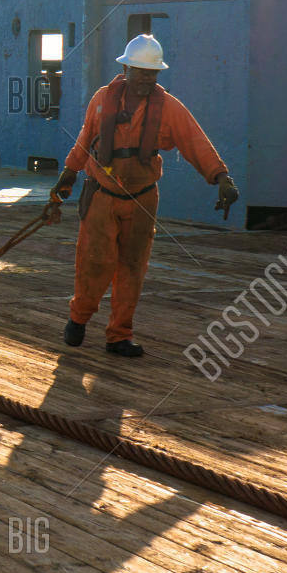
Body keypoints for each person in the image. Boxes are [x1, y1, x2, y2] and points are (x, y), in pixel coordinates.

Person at [46, 34, 238, 356]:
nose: (147, 79)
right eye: (141, 71)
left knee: (133, 268)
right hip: (101, 196)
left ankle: (119, 336)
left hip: (142, 199)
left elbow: (195, 140)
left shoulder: (169, 108)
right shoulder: (101, 100)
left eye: (153, 73)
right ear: (126, 69)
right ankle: (78, 318)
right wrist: (68, 174)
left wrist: (221, 177)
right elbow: (85, 138)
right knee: (93, 263)